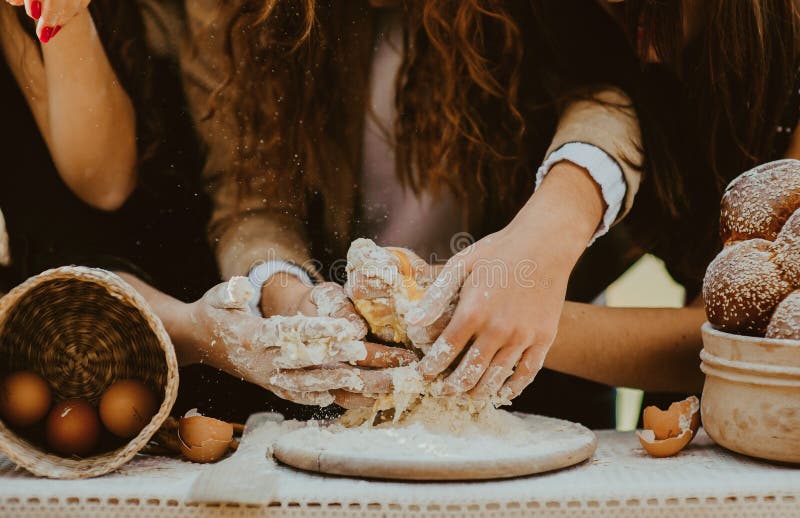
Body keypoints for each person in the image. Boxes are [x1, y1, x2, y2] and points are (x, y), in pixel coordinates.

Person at [178, 0, 663, 427]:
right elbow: (251, 203)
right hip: (353, 383)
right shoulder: (240, 12)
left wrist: (548, 229)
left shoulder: (532, 14)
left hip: (541, 354)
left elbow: (608, 94)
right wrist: (293, 300)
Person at [0, 0, 412, 422]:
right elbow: (101, 187)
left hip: (247, 346)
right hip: (108, 350)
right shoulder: (17, 24)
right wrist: (201, 331)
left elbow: (250, 190)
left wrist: (283, 293)